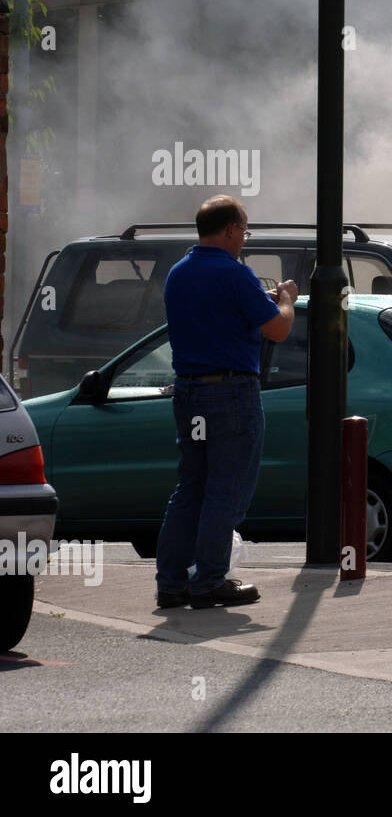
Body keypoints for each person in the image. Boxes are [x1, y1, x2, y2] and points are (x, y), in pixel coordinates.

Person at [154, 196, 296, 609]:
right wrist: (285, 297)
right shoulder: (237, 275)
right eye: (245, 231)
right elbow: (279, 330)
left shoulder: (179, 273)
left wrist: (256, 299)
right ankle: (211, 581)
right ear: (231, 229)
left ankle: (172, 582)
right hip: (231, 392)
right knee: (227, 488)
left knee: (191, 487)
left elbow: (217, 316)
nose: (244, 239)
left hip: (189, 391)